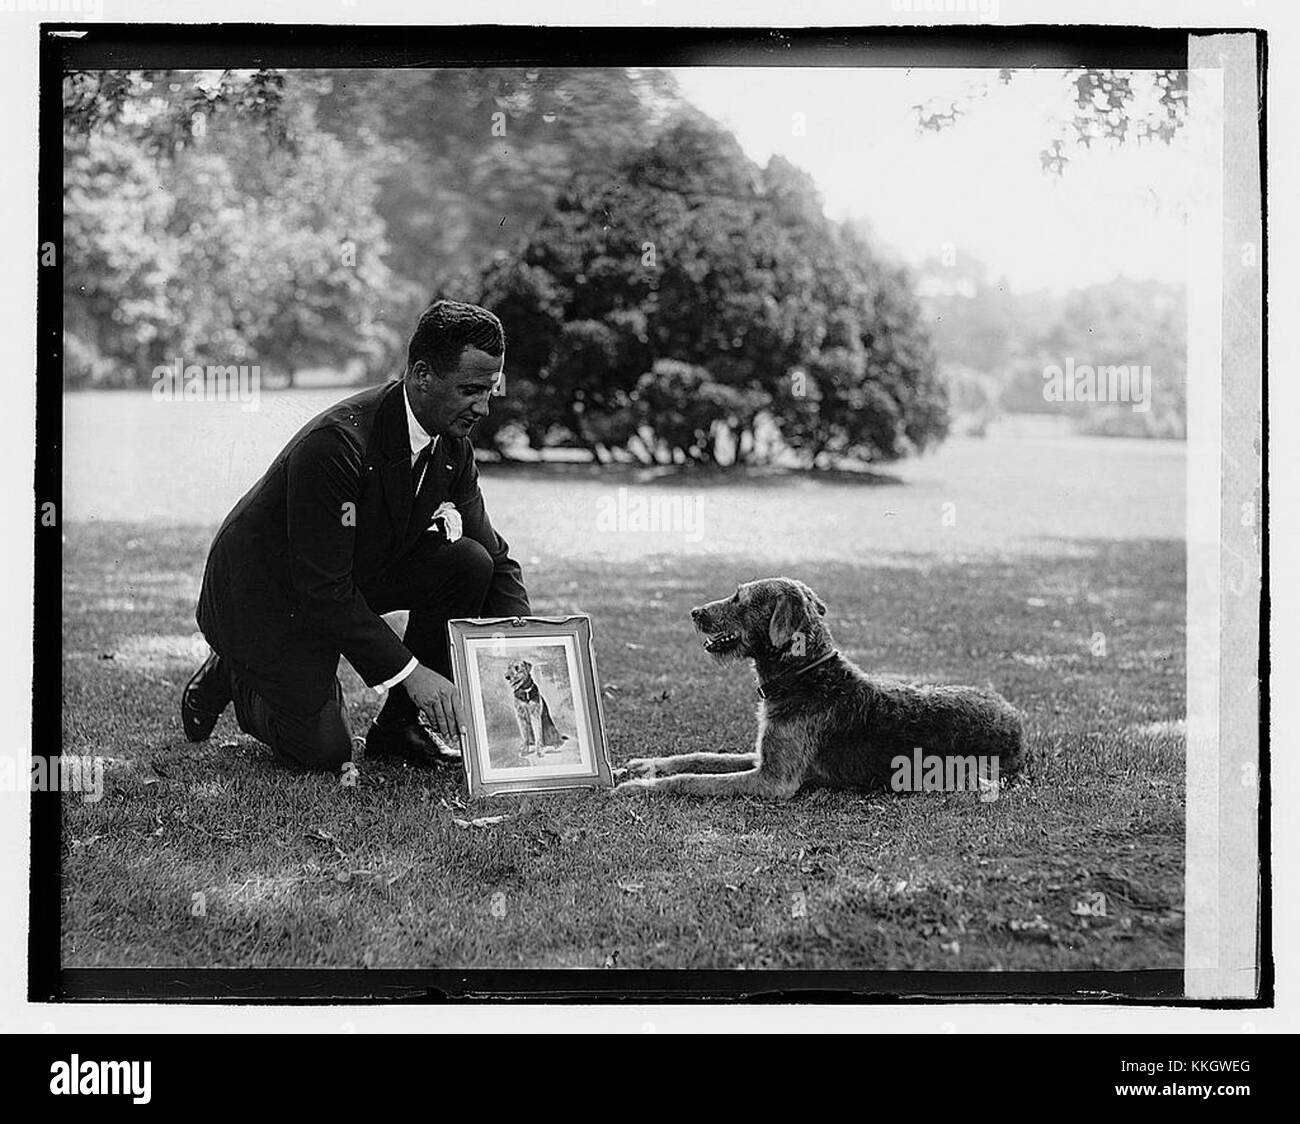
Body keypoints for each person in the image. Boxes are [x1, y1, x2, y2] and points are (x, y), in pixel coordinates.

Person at [180, 300, 530, 770]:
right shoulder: (336, 445)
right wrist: (412, 673)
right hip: (265, 598)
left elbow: (495, 556)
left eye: (490, 389)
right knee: (324, 752)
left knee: (470, 563)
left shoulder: (453, 447)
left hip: (341, 577)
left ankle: (399, 731)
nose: (484, 407)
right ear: (422, 374)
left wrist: (528, 644)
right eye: (471, 389)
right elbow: (322, 589)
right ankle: (234, 670)